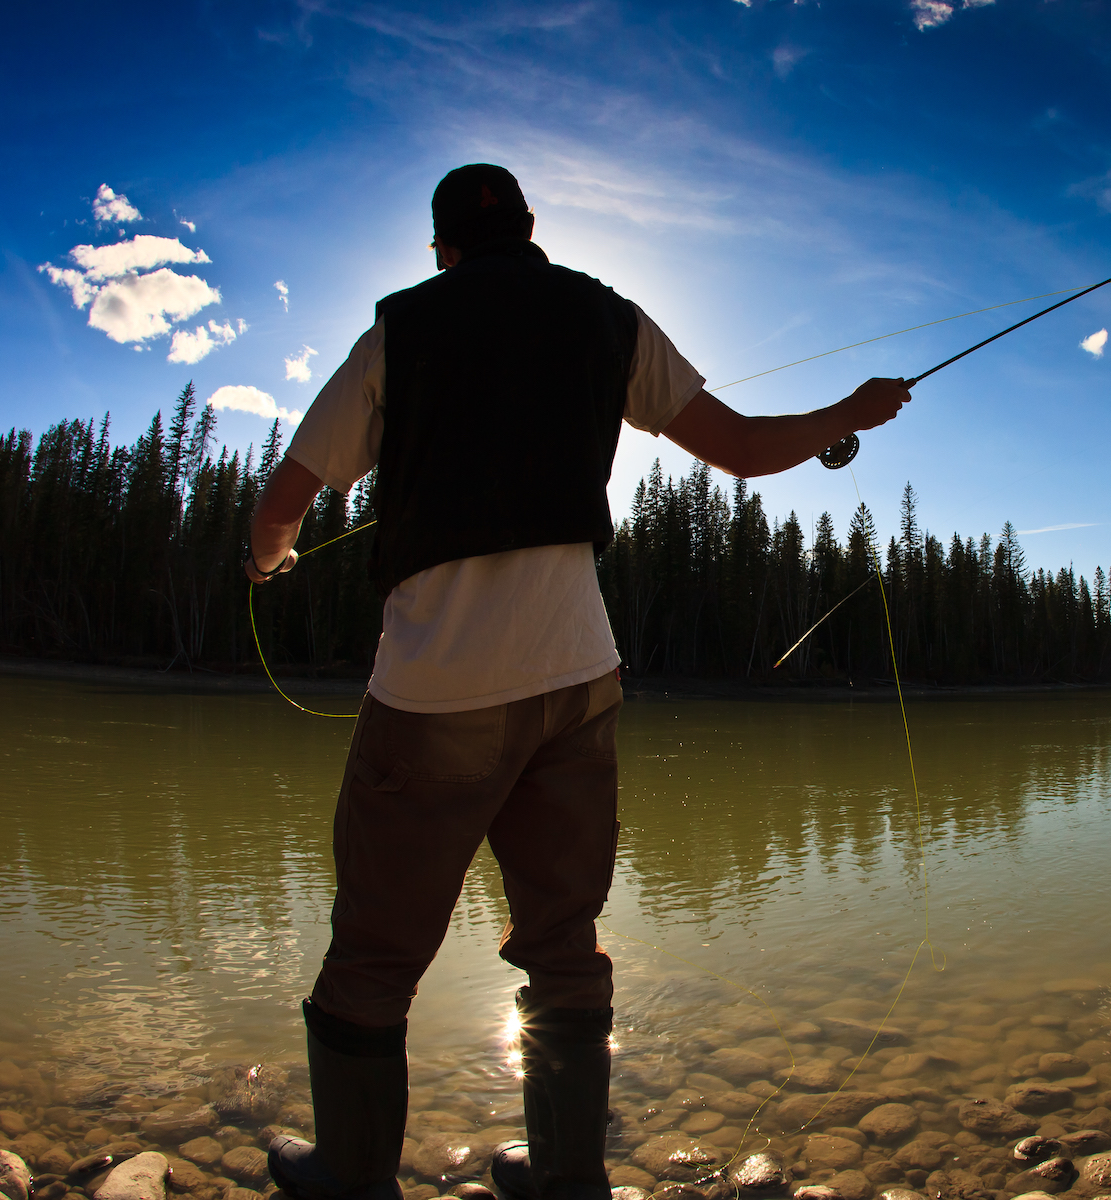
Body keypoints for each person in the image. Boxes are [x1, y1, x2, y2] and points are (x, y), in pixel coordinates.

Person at [244, 163, 909, 1200]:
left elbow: (281, 501)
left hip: (435, 698)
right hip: (579, 682)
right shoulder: (611, 318)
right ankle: (565, 1180)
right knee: (564, 945)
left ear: (443, 248)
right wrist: (848, 411)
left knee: (375, 955)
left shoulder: (400, 330)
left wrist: (265, 561)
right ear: (531, 230)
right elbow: (737, 448)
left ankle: (354, 1178)